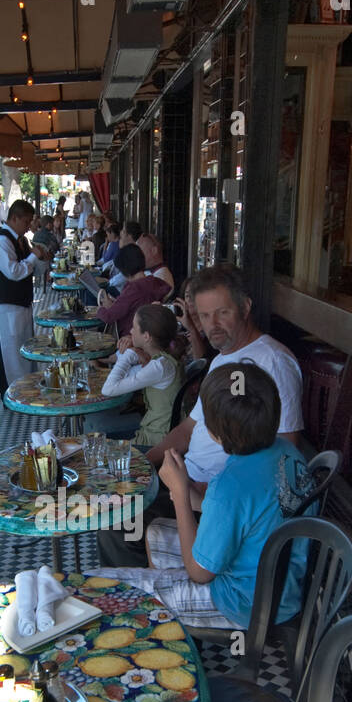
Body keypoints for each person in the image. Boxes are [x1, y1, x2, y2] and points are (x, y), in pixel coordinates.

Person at [97, 263, 303, 565]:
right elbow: (187, 429)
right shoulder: (222, 360)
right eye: (204, 316)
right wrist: (144, 462)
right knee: (106, 480)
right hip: (184, 473)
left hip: (212, 497)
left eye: (222, 313)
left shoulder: (274, 362)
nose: (212, 325)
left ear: (245, 307)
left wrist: (207, 492)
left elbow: (286, 451)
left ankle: (140, 601)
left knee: (117, 525)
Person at [88, 363, 310, 629]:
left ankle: (153, 638)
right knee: (155, 530)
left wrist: (180, 495)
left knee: (103, 587)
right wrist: (185, 489)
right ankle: (169, 629)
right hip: (282, 586)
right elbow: (246, 514)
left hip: (242, 603)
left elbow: (199, 573)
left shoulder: (229, 485)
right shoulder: (286, 451)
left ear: (215, 434)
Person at [97, 303, 183, 446]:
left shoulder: (159, 367)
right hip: (161, 431)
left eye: (134, 327)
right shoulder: (163, 360)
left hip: (156, 439)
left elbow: (108, 389)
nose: (130, 331)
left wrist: (129, 353)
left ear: (146, 336)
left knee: (95, 434)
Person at [0, 198, 48, 397]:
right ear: (14, 218)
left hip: (22, 303)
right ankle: (15, 394)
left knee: (25, 348)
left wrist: (39, 257)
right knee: (12, 354)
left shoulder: (20, 240)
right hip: (8, 307)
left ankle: (29, 390)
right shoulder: (1, 242)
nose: (29, 226)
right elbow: (14, 271)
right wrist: (32, 257)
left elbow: (28, 268)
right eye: (26, 222)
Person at [95, 243, 170, 338]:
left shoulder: (134, 288)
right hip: (148, 336)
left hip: (129, 336)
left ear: (125, 270)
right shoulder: (155, 282)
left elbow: (108, 317)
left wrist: (100, 310)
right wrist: (115, 304)